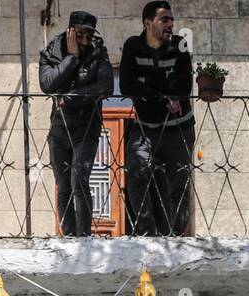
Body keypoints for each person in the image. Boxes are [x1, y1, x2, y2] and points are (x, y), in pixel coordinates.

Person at [120, 1, 195, 236]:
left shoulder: (180, 45)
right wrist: (163, 95)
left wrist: (146, 85)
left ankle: (175, 236)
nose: (170, 24)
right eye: (164, 19)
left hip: (178, 128)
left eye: (172, 20)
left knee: (178, 183)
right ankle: (146, 232)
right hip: (145, 128)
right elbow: (127, 86)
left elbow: (183, 86)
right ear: (148, 23)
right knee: (136, 171)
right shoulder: (133, 46)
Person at [39, 10, 113, 237]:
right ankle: (69, 237)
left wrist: (71, 97)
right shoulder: (52, 52)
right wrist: (71, 58)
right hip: (59, 128)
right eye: (80, 35)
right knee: (63, 186)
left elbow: (106, 86)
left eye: (89, 36)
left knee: (79, 180)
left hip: (86, 127)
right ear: (69, 31)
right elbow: (47, 84)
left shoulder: (98, 52)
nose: (85, 41)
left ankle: (84, 238)